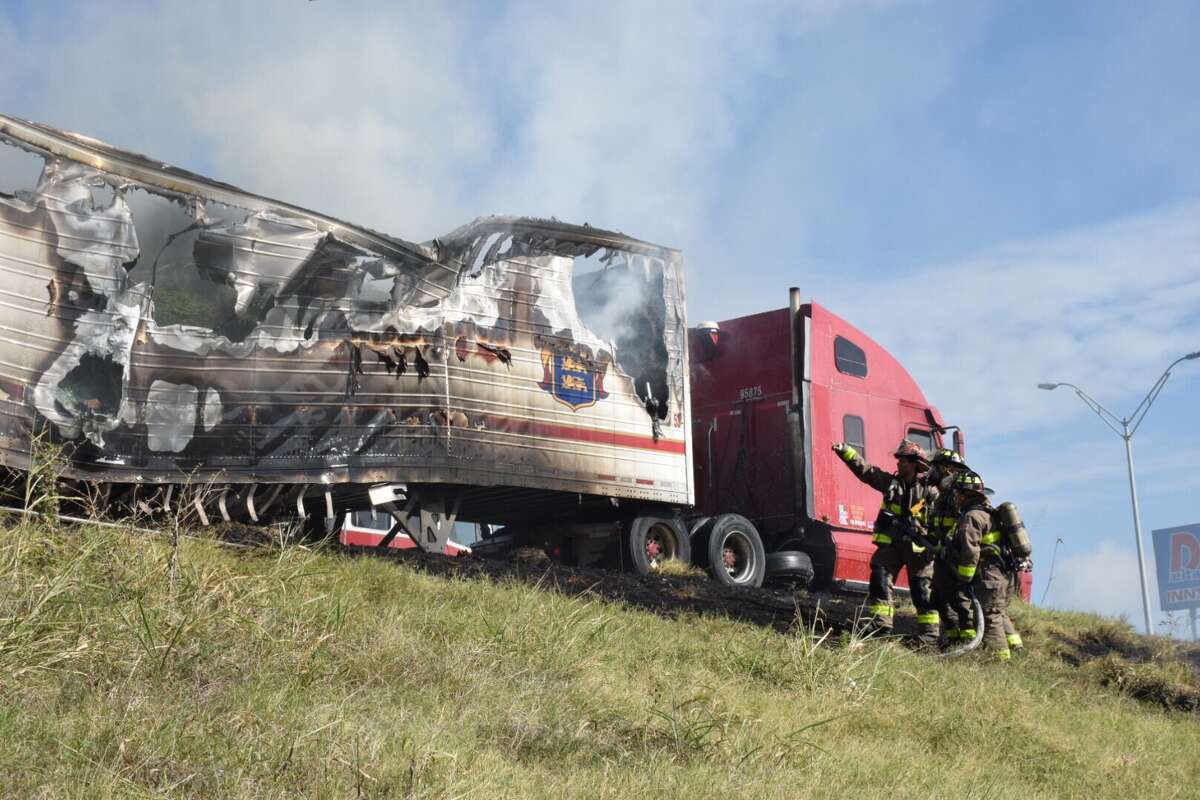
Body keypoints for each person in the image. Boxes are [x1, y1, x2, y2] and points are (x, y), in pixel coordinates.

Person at [832, 439, 939, 642]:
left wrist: (930, 541)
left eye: (904, 460)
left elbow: (939, 522)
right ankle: (881, 626)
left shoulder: (930, 492)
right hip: (892, 544)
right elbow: (866, 471)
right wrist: (845, 451)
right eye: (898, 459)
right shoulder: (890, 483)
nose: (898, 463)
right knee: (880, 578)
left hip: (919, 549)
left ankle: (930, 636)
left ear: (915, 464)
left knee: (921, 591)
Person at [946, 470, 1012, 660]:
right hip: (997, 575)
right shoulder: (988, 514)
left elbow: (971, 551)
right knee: (996, 614)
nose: (956, 497)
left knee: (989, 619)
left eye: (958, 493)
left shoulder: (972, 517)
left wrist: (964, 578)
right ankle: (1012, 651)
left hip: (987, 576)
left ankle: (998, 662)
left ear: (965, 495)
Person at [927, 448, 969, 643]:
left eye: (936, 467)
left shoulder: (957, 493)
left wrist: (949, 547)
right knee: (937, 598)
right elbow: (938, 522)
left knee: (960, 599)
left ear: (949, 468)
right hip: (943, 553)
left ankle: (968, 639)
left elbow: (963, 525)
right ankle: (953, 638)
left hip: (956, 554)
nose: (932, 471)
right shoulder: (943, 493)